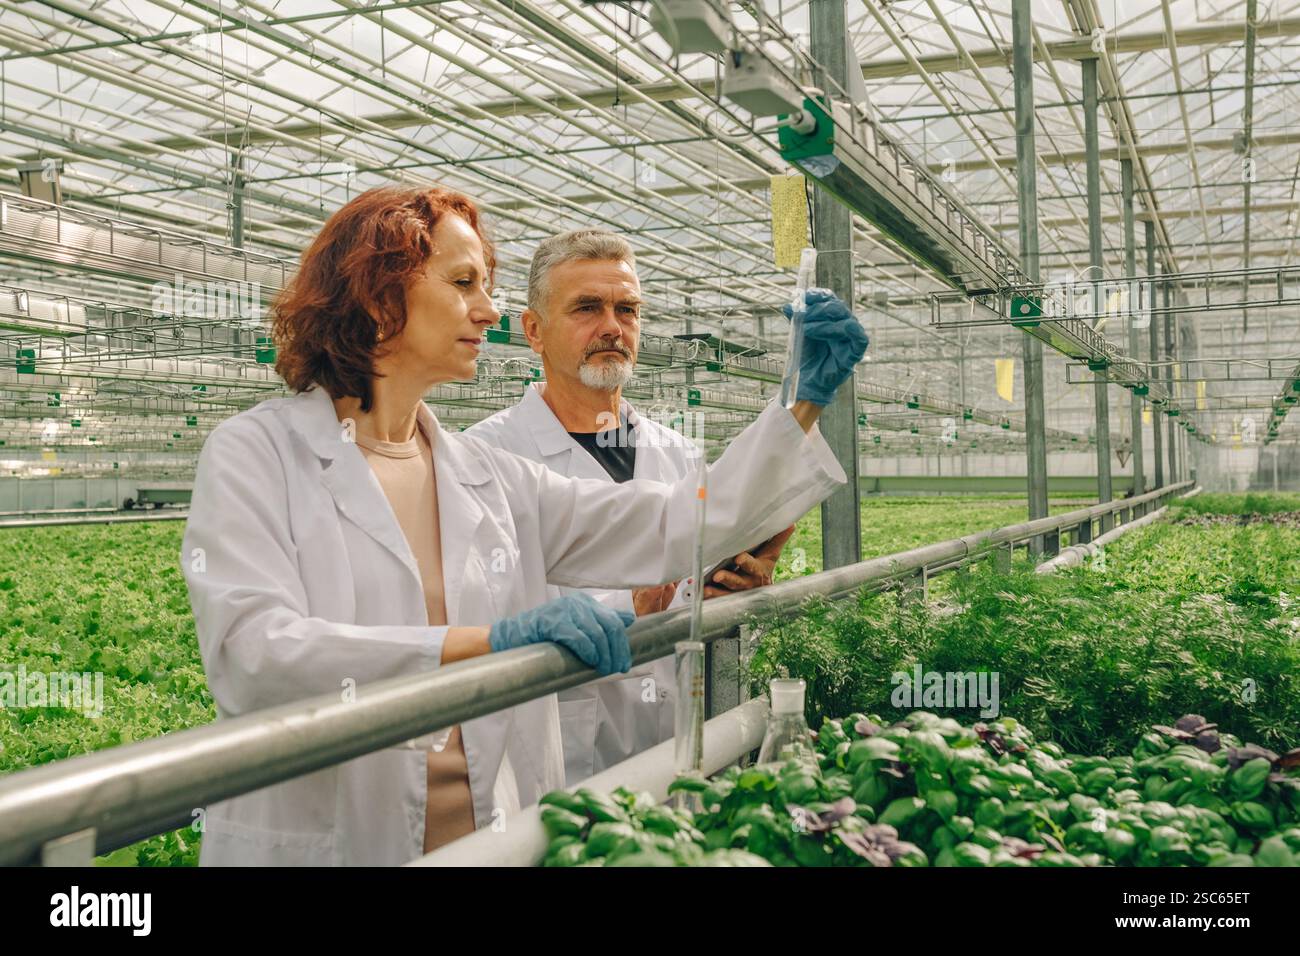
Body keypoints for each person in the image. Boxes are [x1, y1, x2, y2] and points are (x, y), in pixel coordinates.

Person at [180, 185, 867, 866]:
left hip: (486, 839)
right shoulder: (259, 453)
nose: (488, 308)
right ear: (376, 294)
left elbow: (668, 523)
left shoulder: (484, 473)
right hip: (335, 841)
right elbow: (254, 652)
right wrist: (488, 644)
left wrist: (800, 400)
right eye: (463, 282)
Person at [469, 229, 798, 785]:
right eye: (587, 308)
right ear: (533, 330)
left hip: (677, 746)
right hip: (560, 767)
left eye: (627, 309)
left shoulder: (678, 453)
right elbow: (471, 626)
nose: (611, 327)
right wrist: (628, 611)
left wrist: (739, 584)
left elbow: (695, 589)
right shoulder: (485, 457)